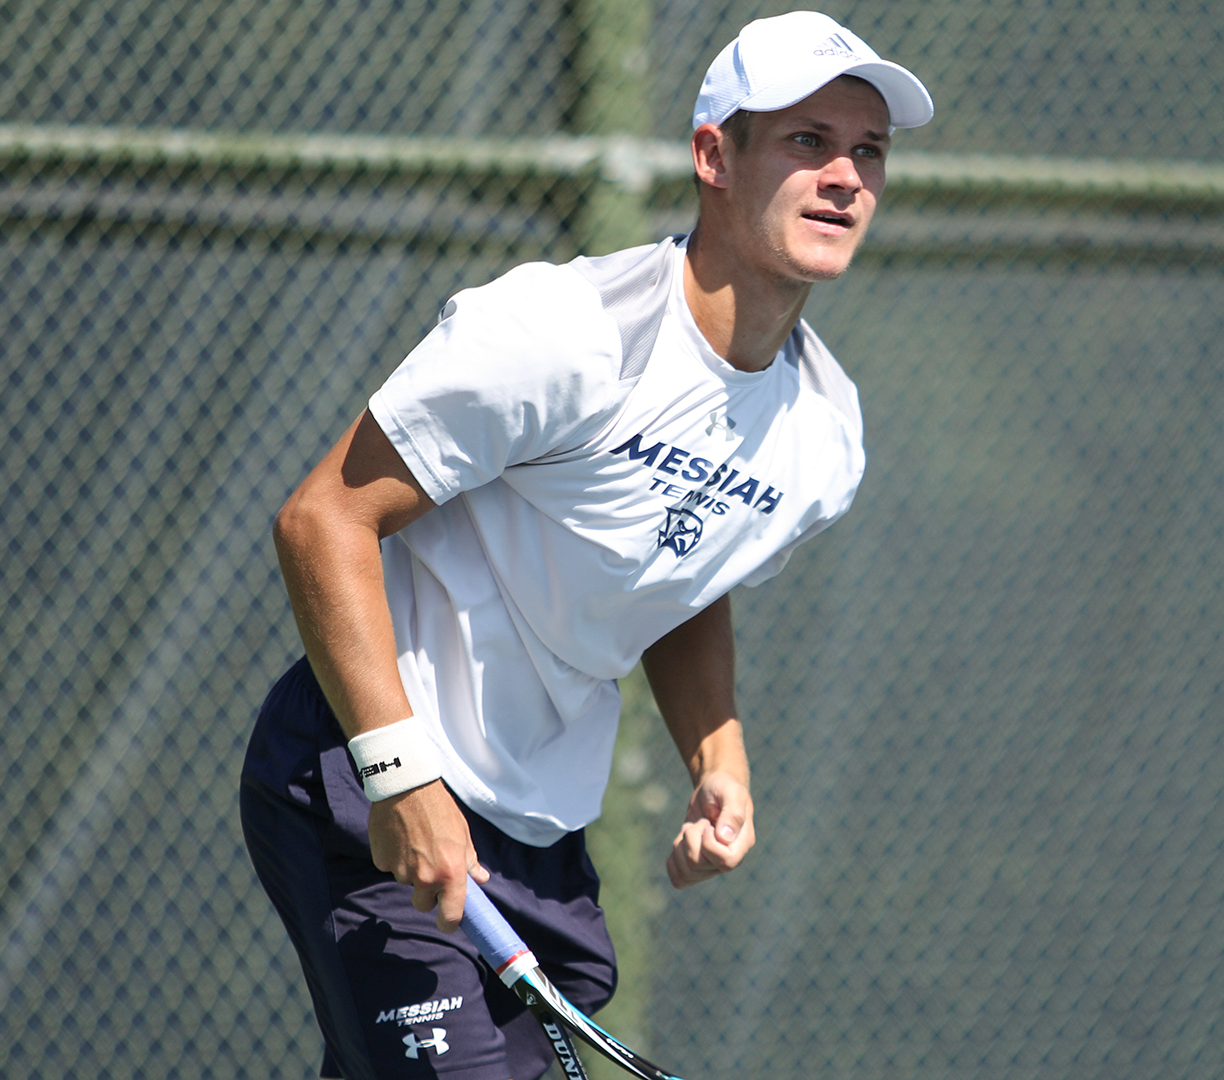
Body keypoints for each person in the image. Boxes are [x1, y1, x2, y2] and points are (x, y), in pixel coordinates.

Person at [238, 11, 933, 1079]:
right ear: (715, 156)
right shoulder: (563, 334)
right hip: (362, 776)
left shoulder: (823, 436)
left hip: (539, 838)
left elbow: (688, 572)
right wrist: (403, 780)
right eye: (807, 141)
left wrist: (720, 755)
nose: (845, 175)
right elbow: (323, 517)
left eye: (868, 151)